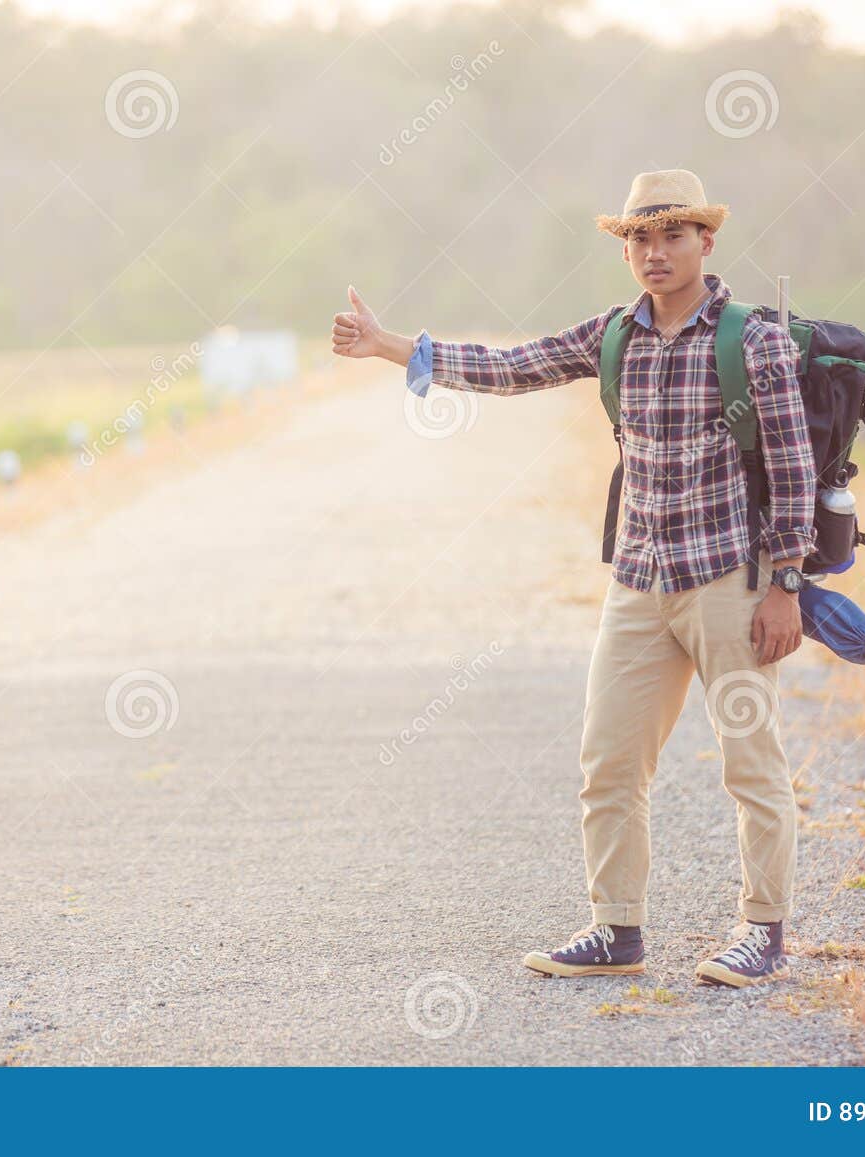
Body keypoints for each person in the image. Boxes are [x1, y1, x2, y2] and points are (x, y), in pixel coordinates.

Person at [331, 169, 816, 988]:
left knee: (750, 761)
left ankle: (761, 930)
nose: (654, 251)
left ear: (706, 241)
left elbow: (794, 468)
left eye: (671, 234)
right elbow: (513, 365)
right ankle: (616, 928)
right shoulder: (612, 335)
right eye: (640, 237)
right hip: (637, 583)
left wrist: (786, 584)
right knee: (609, 763)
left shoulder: (753, 340)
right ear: (626, 248)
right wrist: (393, 348)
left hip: (730, 582)